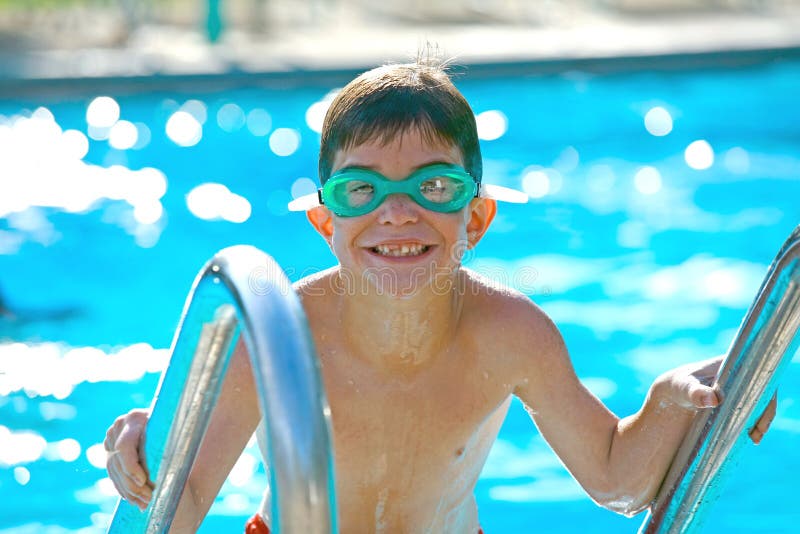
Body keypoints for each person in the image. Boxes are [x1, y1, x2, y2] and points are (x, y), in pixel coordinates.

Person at [104, 57, 777, 533]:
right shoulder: (278, 339)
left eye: (433, 187)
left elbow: (613, 479)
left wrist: (670, 405)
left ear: (476, 219)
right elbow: (181, 508)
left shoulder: (511, 333)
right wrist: (149, 446)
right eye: (362, 191)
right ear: (325, 223)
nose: (397, 212)